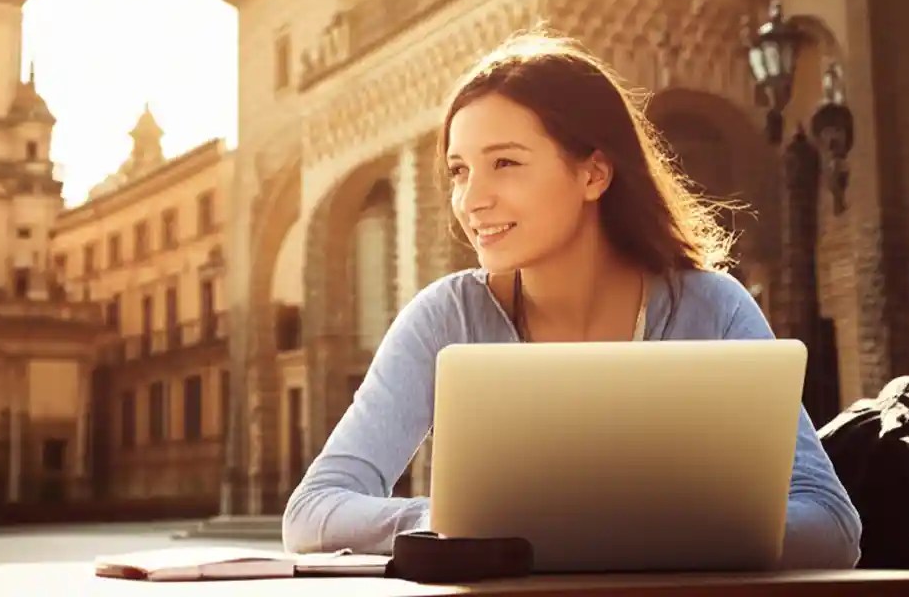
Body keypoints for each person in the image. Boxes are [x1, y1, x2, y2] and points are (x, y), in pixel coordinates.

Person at [281, 30, 862, 569]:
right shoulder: (446, 319)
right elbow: (312, 512)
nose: (472, 199)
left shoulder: (711, 308)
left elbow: (831, 524)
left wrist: (649, 529)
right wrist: (456, 523)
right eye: (459, 170)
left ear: (594, 175)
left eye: (504, 163)